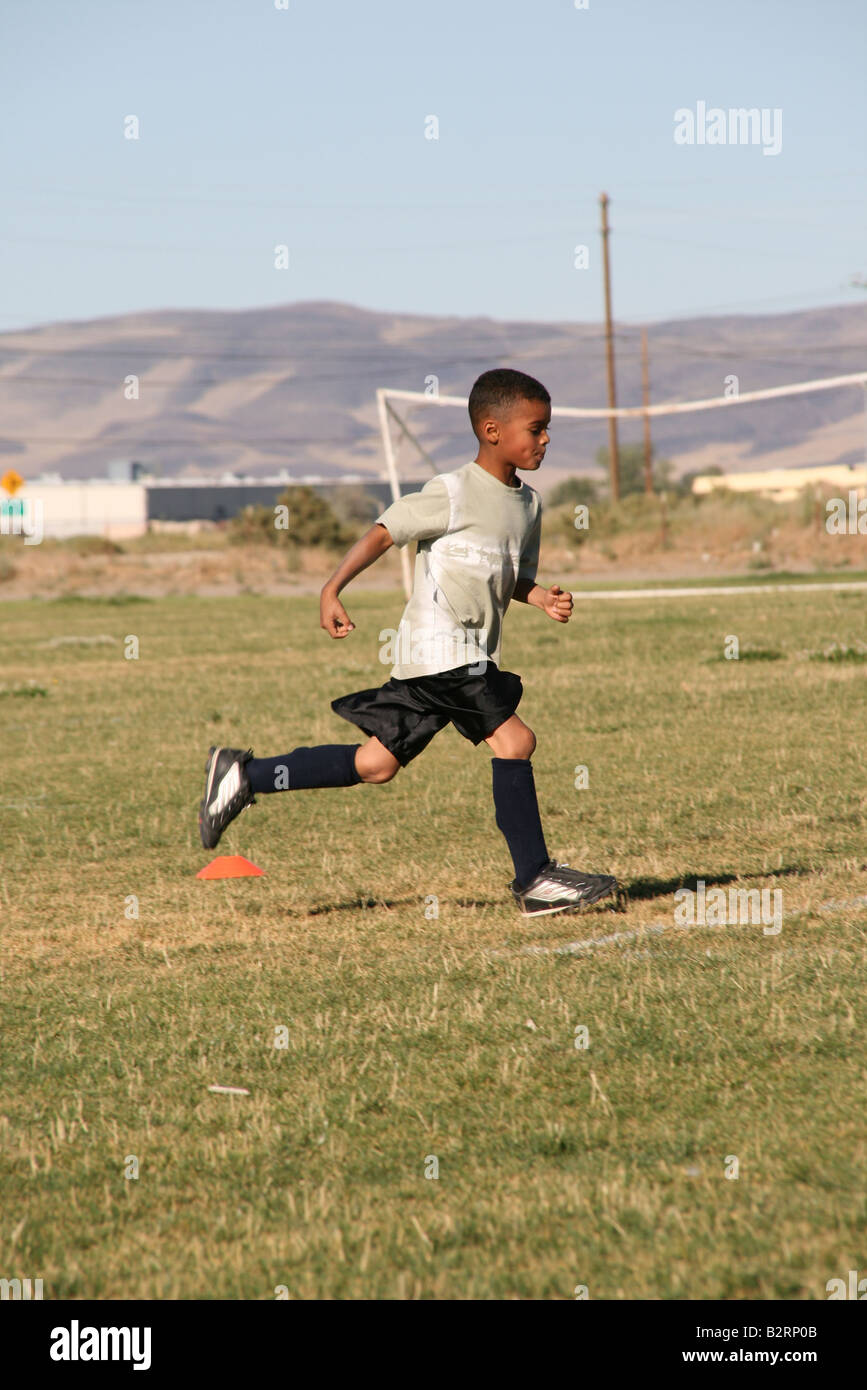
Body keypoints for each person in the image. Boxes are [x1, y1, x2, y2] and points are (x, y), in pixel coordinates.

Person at [198, 367, 617, 917]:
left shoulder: (530, 506)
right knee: (515, 742)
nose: (545, 440)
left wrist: (538, 598)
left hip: (444, 660)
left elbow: (506, 574)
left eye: (546, 430)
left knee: (376, 764)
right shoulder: (453, 491)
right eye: (535, 429)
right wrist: (332, 587)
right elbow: (383, 531)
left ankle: (243, 774)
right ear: (492, 430)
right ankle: (535, 879)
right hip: (442, 650)